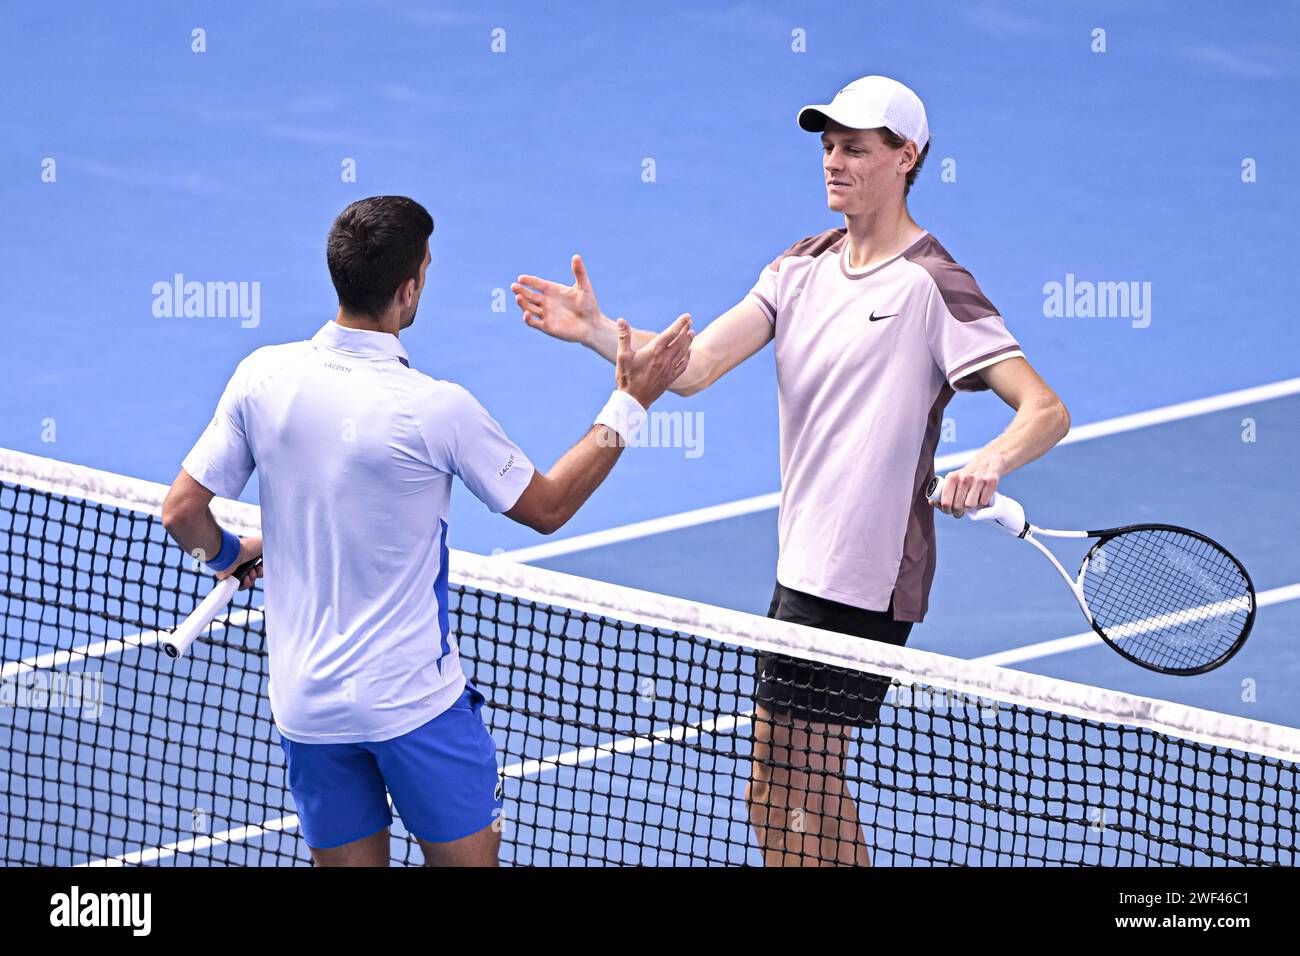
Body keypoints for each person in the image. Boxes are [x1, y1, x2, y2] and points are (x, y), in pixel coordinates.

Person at [511, 76, 1071, 866]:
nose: (834, 163)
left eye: (856, 148)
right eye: (828, 147)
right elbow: (697, 367)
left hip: (866, 572)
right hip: (805, 562)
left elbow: (1044, 410)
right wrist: (600, 333)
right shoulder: (799, 266)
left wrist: (990, 461)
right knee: (793, 783)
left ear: (906, 157)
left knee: (789, 782)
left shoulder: (934, 286)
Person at [161, 196, 692, 866]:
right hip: (416, 710)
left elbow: (183, 512)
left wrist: (230, 552)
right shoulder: (437, 409)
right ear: (409, 288)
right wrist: (632, 402)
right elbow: (549, 507)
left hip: (308, 709)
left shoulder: (261, 376)